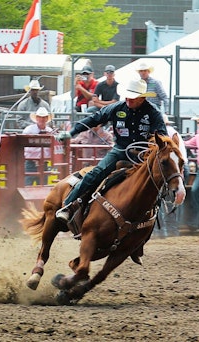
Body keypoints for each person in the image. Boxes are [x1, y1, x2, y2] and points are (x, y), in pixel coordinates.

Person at [55, 79, 167, 223]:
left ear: (142, 98)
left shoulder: (153, 113)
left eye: (132, 98)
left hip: (143, 155)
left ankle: (155, 215)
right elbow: (94, 119)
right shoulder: (116, 108)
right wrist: (72, 132)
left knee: (159, 179)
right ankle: (68, 206)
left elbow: (162, 136)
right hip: (120, 150)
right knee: (96, 173)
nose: (128, 100)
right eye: (127, 96)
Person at [156, 114, 187, 238]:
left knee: (167, 199)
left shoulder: (166, 135)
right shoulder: (174, 133)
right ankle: (171, 230)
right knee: (169, 200)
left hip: (172, 170)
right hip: (176, 169)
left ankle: (166, 231)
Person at [22, 107, 54, 186]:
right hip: (31, 162)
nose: (42, 119)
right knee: (27, 185)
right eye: (40, 117)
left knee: (43, 186)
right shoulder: (28, 130)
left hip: (43, 163)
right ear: (36, 118)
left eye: (44, 117)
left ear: (47, 119)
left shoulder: (50, 131)